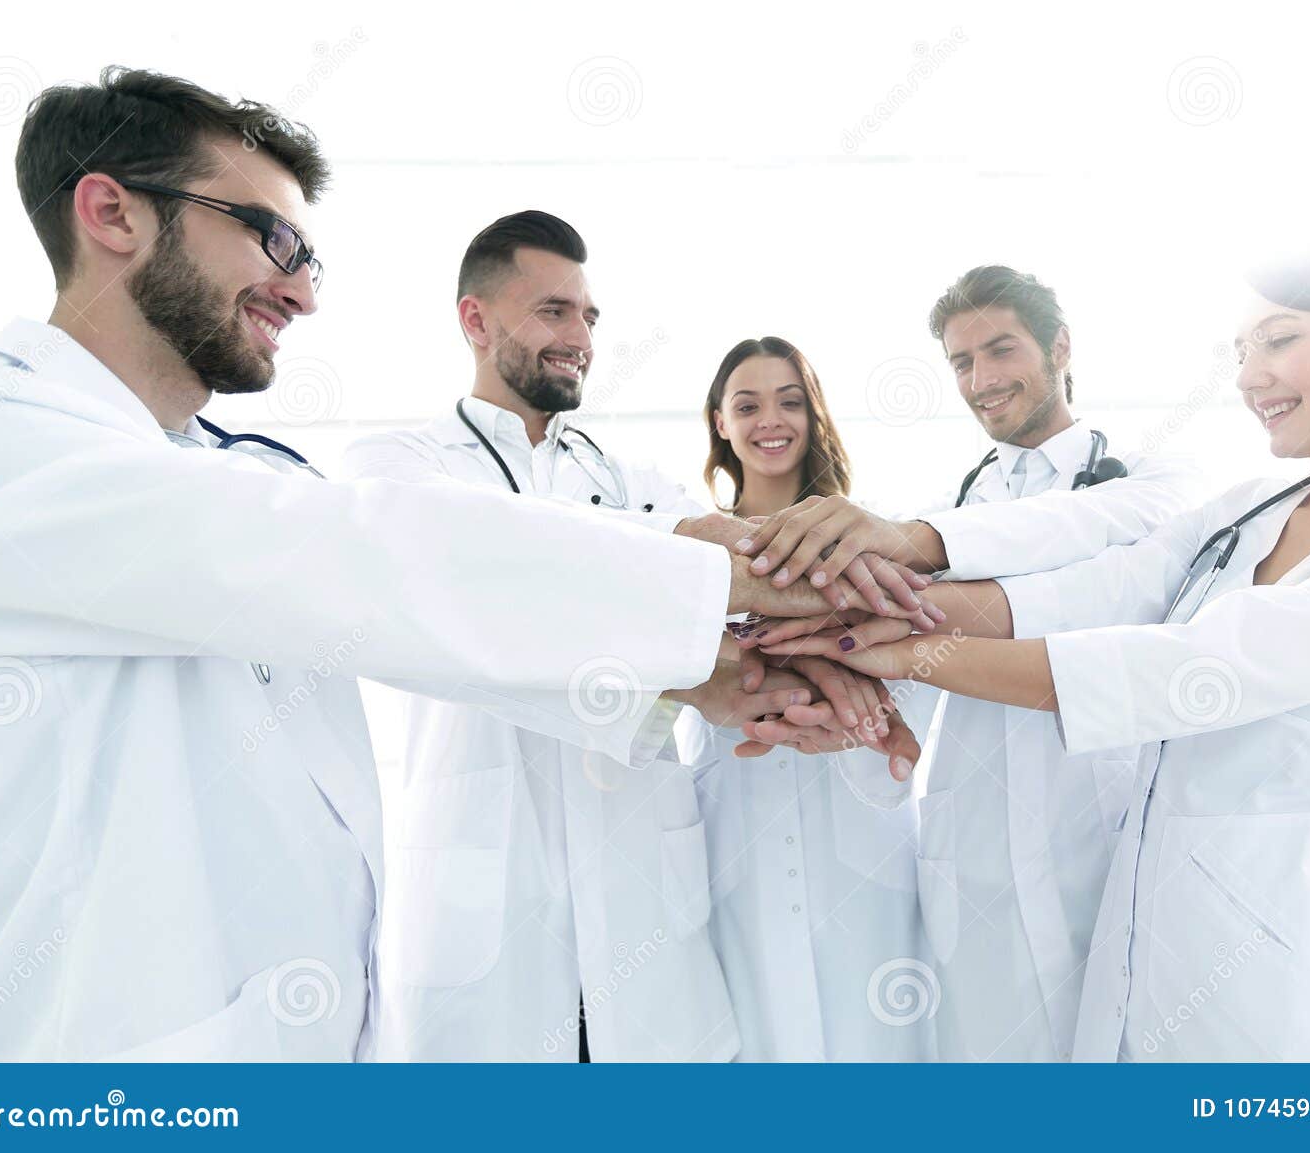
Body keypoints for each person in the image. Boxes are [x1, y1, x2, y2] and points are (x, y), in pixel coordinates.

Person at [0, 69, 872, 1061]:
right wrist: (718, 565)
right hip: (93, 1064)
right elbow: (382, 558)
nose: (302, 290)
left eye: (310, 257)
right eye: (272, 237)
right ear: (112, 214)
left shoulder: (218, 468)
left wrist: (711, 683)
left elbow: (431, 622)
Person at [763, 233, 1310, 1061]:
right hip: (1150, 915)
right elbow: (1100, 588)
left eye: (1281, 340)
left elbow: (1187, 669)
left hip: (1294, 945)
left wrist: (905, 648)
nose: (1247, 376)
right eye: (1241, 351)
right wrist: (880, 619)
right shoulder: (1256, 505)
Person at [341, 215, 924, 1060]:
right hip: (488, 903)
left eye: (588, 316)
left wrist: (855, 622)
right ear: (475, 321)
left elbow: (730, 557)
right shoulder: (397, 466)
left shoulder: (625, 481)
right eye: (553, 311)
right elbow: (477, 596)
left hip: (641, 907)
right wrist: (682, 652)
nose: (579, 337)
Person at [734, 267, 1201, 1060]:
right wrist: (858, 714)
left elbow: (1069, 562)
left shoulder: (1148, 479)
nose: (981, 380)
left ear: (1058, 347)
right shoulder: (961, 499)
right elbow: (919, 663)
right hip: (975, 842)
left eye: (1000, 350)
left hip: (1097, 826)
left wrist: (913, 548)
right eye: (960, 362)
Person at [677, 336, 937, 1061]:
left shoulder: (877, 542)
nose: (771, 420)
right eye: (748, 404)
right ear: (720, 423)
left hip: (860, 827)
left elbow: (924, 669)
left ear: (814, 415)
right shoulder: (686, 557)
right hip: (737, 830)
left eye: (790, 401)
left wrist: (858, 687)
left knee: (877, 1044)